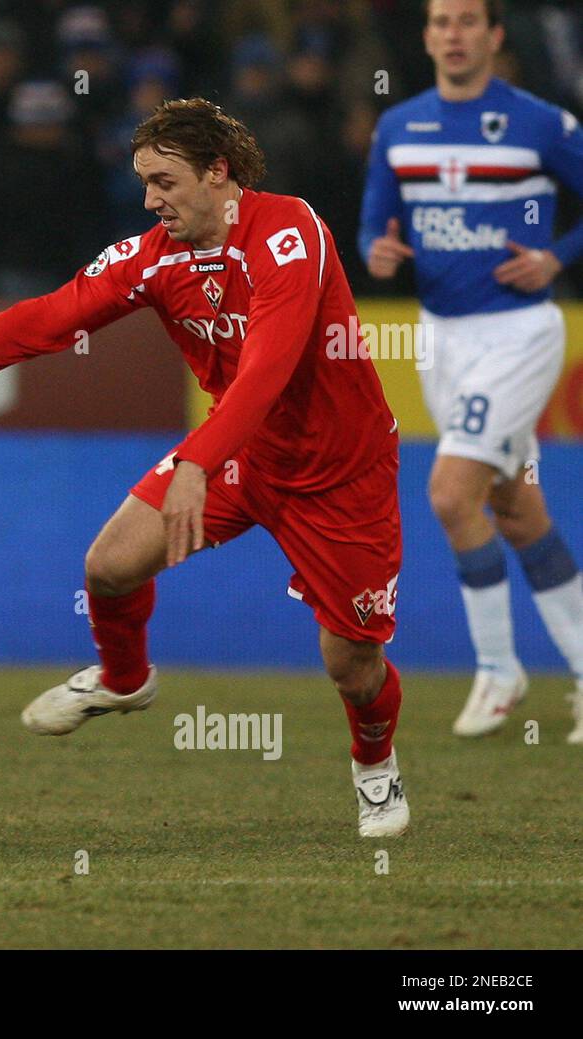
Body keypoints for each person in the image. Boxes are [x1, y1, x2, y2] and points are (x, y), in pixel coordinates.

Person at [0, 98, 409, 837]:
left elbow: (270, 367)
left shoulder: (290, 232)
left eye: (165, 181)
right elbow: (48, 316)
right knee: (109, 566)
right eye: (143, 182)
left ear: (219, 172)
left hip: (340, 471)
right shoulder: (152, 259)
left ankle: (375, 767)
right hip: (241, 455)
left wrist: (200, 459)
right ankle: (125, 678)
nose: (150, 199)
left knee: (351, 662)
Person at [360, 0, 583, 743]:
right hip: (441, 339)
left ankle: (497, 667)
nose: (452, 34)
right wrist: (377, 252)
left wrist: (554, 255)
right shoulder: (399, 127)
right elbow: (374, 222)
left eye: (466, 21)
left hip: (518, 332)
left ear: (493, 36)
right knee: (517, 510)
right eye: (440, 22)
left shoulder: (540, 123)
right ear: (426, 38)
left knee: (450, 494)